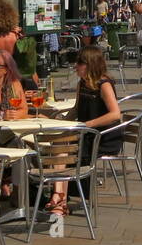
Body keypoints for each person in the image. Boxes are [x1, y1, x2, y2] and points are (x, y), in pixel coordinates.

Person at [49, 46, 123, 215]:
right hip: (86, 134)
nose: (76, 66)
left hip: (103, 136)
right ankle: (59, 198)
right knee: (60, 147)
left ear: (90, 64)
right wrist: (61, 123)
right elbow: (76, 109)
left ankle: (59, 198)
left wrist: (87, 124)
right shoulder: (82, 84)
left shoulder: (103, 84)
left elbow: (115, 114)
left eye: (80, 63)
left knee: (64, 150)